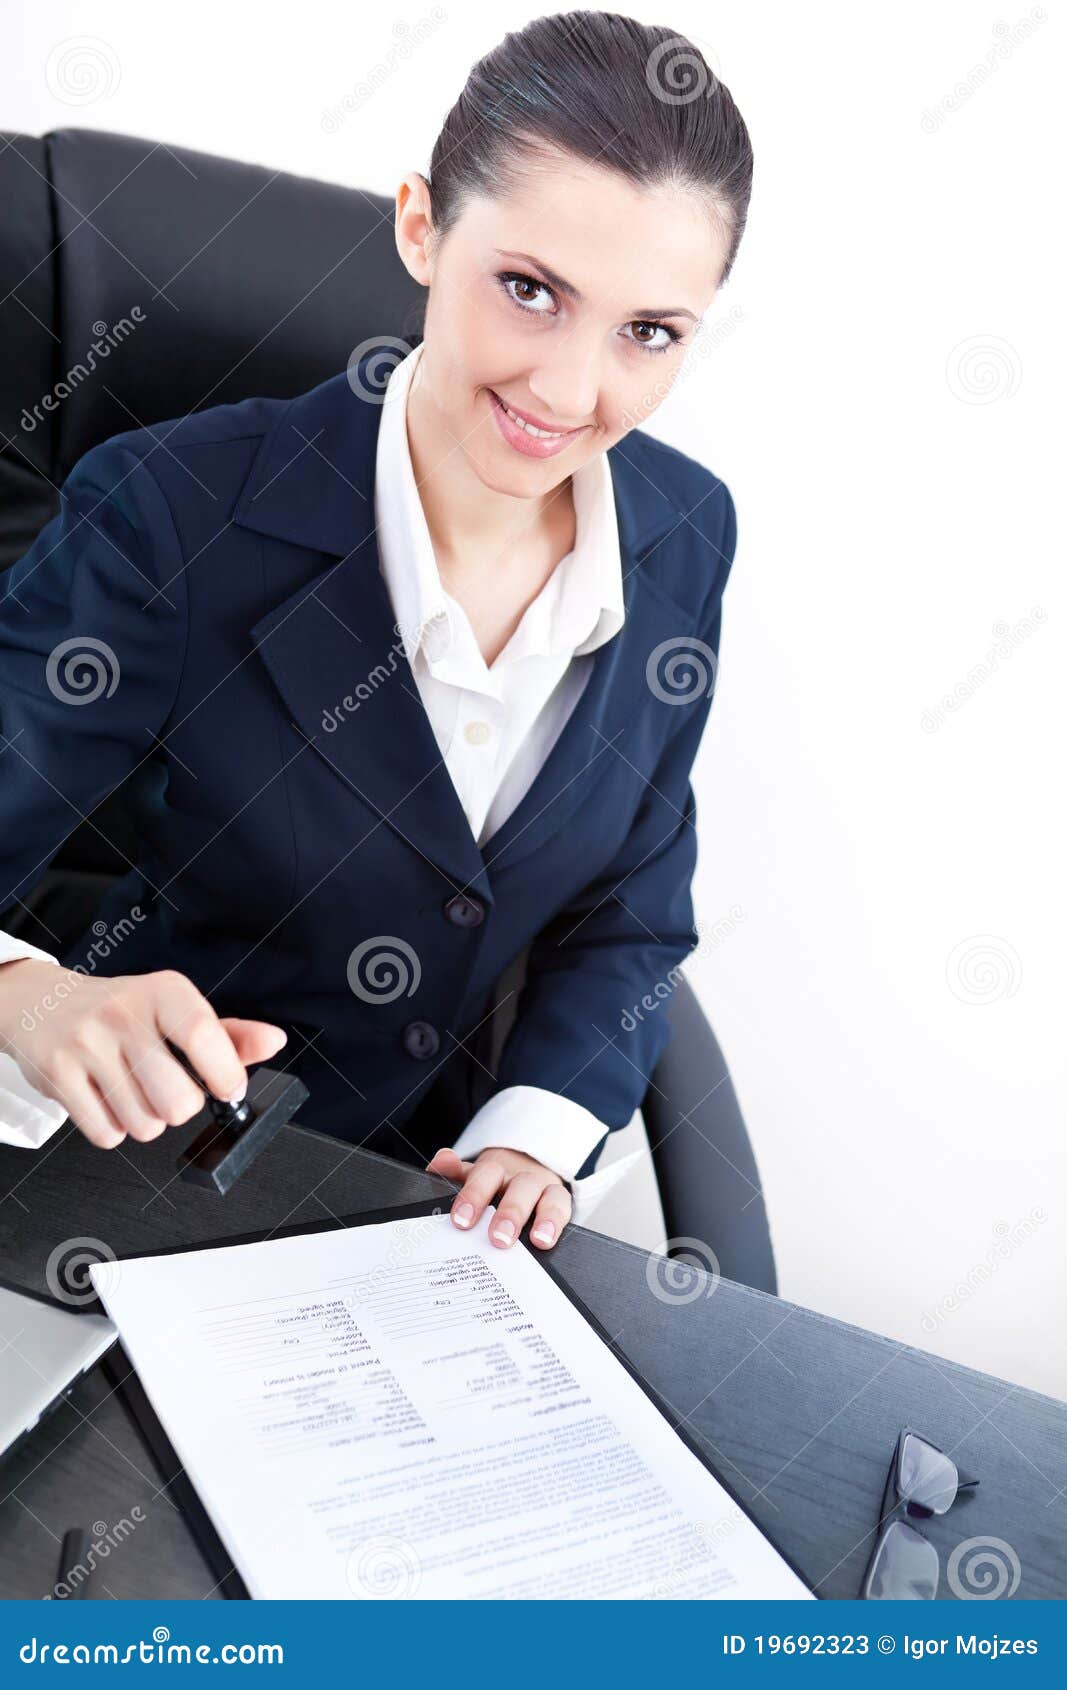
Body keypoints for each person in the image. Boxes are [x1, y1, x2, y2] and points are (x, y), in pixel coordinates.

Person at [0, 10, 750, 1255]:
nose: (570, 393)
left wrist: (539, 1122)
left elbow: (629, 909)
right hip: (149, 1186)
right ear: (418, 227)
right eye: (528, 290)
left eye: (647, 332)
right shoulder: (171, 515)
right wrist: (25, 997)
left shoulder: (683, 531)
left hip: (440, 1227)